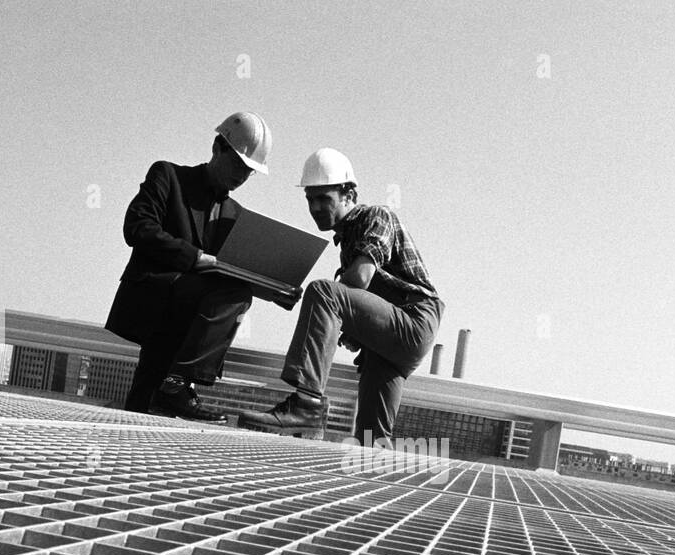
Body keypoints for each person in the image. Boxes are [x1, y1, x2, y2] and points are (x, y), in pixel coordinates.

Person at [238, 148, 443, 442]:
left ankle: (307, 404)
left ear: (349, 195)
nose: (315, 207)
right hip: (388, 342)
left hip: (413, 321)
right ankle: (366, 468)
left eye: (324, 198)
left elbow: (359, 279)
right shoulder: (348, 244)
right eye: (310, 199)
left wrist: (325, 308)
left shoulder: (376, 216)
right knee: (371, 442)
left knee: (324, 292)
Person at [105, 112, 289, 423]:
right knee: (235, 295)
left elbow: (231, 272)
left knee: (145, 403)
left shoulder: (235, 215)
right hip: (154, 295)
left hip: (192, 318)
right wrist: (194, 257)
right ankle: (177, 386)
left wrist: (274, 291)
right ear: (217, 148)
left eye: (249, 172)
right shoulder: (168, 176)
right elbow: (137, 228)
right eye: (238, 166)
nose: (241, 177)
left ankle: (173, 388)